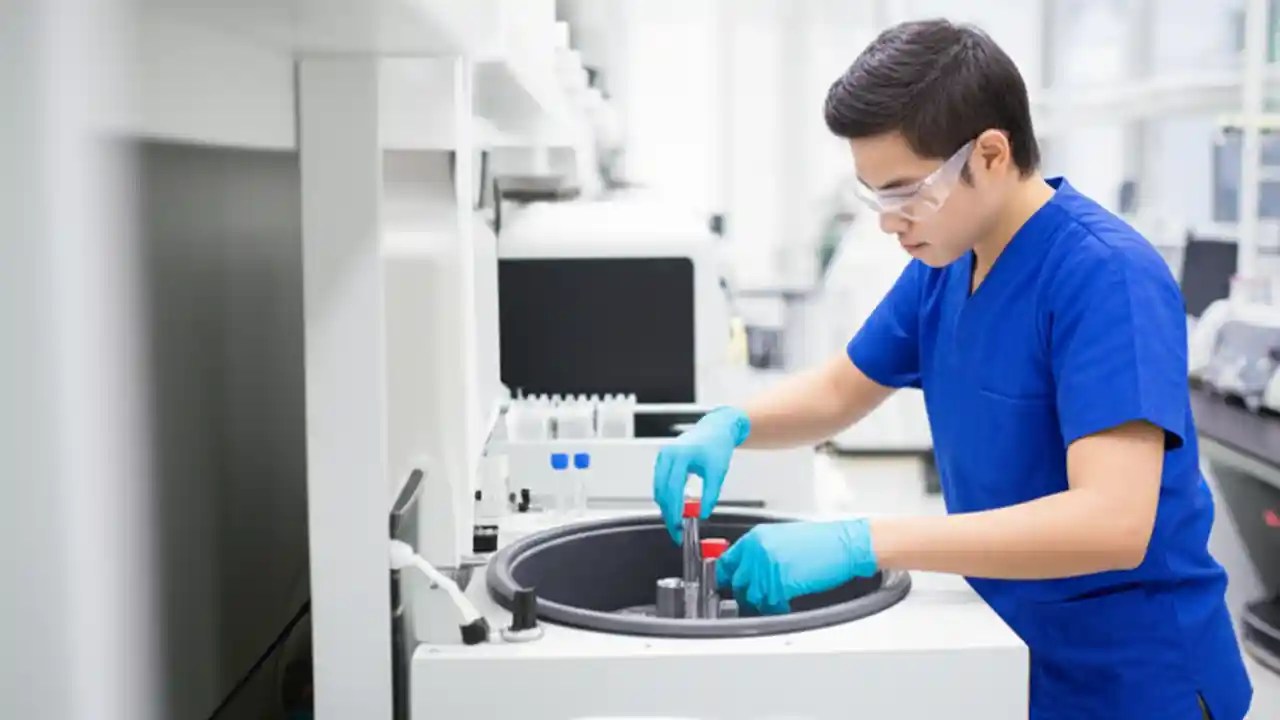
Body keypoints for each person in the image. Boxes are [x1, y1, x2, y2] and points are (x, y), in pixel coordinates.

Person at [652, 19, 1253, 720]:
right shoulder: (949, 261)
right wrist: (731, 424)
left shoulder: (1104, 276)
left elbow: (1111, 522)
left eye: (907, 192)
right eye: (875, 196)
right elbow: (844, 388)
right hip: (1012, 651)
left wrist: (865, 541)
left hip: (1132, 679)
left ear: (991, 154)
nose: (890, 220)